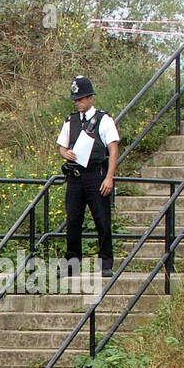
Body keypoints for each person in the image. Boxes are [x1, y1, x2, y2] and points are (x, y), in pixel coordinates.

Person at [57, 76, 120, 278]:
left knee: (102, 220)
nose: (78, 103)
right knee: (73, 221)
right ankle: (71, 265)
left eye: (81, 99)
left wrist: (109, 177)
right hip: (75, 177)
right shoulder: (71, 121)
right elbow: (62, 145)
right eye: (76, 99)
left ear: (90, 98)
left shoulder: (104, 120)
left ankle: (106, 263)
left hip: (96, 175)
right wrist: (64, 153)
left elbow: (113, 148)